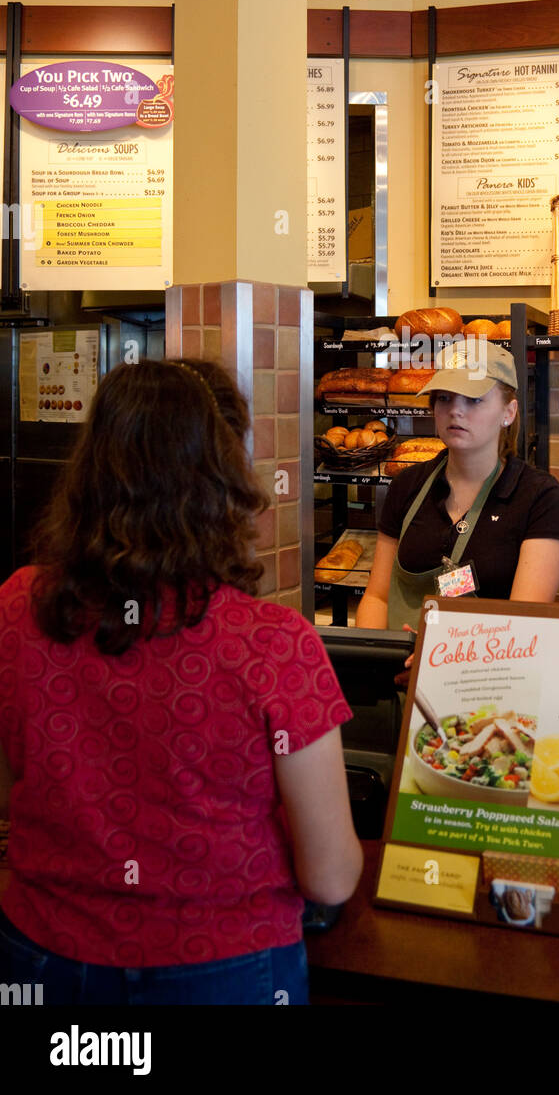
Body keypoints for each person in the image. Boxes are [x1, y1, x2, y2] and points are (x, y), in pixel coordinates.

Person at [0, 357, 362, 1005]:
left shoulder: (17, 608)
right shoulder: (274, 644)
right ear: (223, 478)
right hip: (225, 969)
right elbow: (332, 877)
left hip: (40, 959)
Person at [356, 341, 559, 637]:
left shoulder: (539, 497)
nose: (456, 410)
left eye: (474, 399)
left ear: (508, 412)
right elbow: (377, 597)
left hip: (486, 677)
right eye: (444, 398)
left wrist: (433, 660)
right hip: (397, 675)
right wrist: (378, 654)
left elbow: (523, 623)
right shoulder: (408, 486)